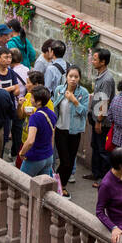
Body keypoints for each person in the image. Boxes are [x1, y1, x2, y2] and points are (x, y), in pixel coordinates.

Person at [50, 66, 89, 195]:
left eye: (76, 77)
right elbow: (54, 107)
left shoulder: (83, 93)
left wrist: (75, 101)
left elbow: (84, 112)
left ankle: (61, 184)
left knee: (70, 161)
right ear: (66, 77)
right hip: (61, 129)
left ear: (79, 79)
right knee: (65, 161)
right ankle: (56, 183)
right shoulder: (59, 90)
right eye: (70, 76)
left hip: (74, 131)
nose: (73, 79)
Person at [86, 49, 116, 182]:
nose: (92, 61)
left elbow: (104, 101)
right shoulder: (100, 76)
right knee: (95, 147)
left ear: (103, 62)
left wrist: (99, 121)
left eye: (95, 59)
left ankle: (104, 179)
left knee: (103, 151)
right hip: (95, 118)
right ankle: (96, 173)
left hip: (102, 122)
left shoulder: (107, 79)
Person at [18, 86, 57, 178]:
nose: (30, 99)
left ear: (38, 101)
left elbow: (30, 141)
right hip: (48, 156)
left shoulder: (35, 117)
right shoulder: (52, 114)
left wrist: (22, 153)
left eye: (32, 97)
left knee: (22, 182)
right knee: (43, 186)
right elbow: (52, 136)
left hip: (35, 157)